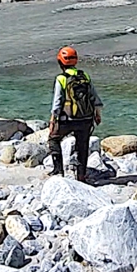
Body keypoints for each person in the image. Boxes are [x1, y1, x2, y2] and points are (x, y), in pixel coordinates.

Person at [48, 46, 103, 183]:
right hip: (86, 118)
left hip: (67, 119)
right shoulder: (84, 76)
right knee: (82, 146)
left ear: (60, 62)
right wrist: (97, 114)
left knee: (53, 139)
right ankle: (81, 176)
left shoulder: (61, 78)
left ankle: (58, 171)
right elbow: (94, 97)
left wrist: (53, 119)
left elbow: (57, 102)